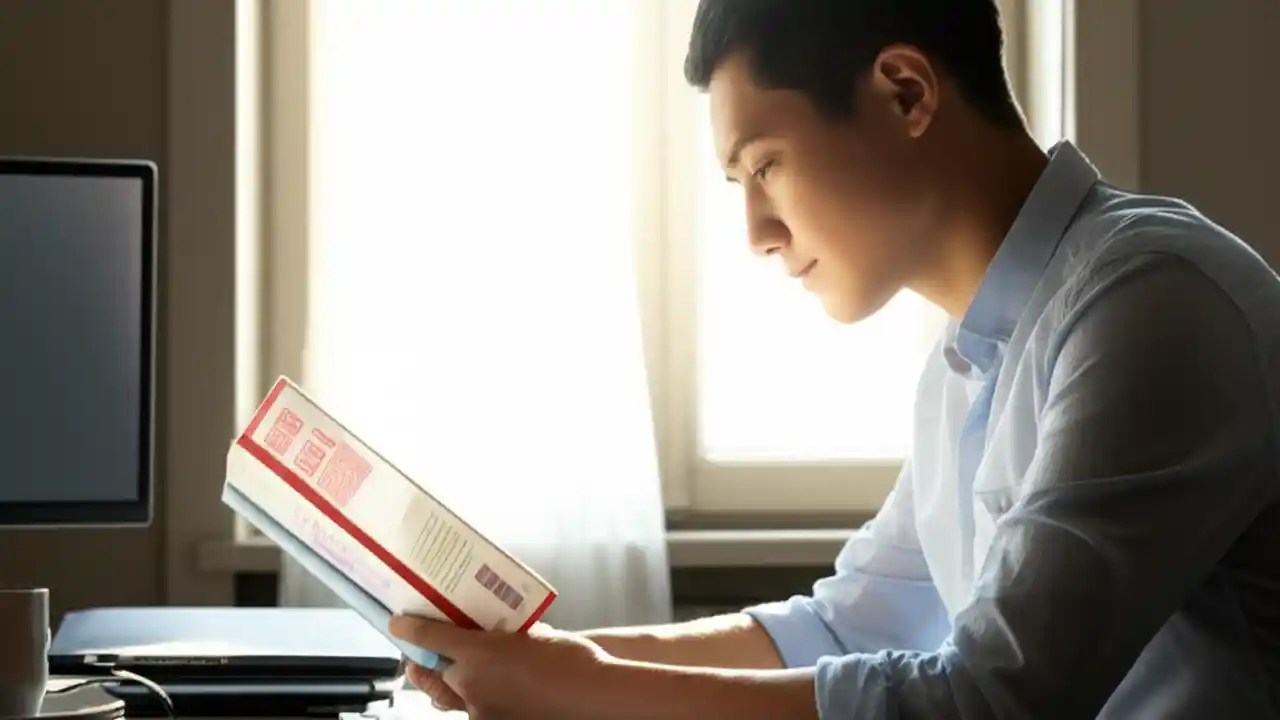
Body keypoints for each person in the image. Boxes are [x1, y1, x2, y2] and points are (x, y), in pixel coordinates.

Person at [389, 0, 1280, 717]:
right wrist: (549, 663)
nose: (757, 235)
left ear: (904, 93)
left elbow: (994, 698)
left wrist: (580, 690)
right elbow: (848, 626)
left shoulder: (1148, 303)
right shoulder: (970, 360)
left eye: (766, 165)